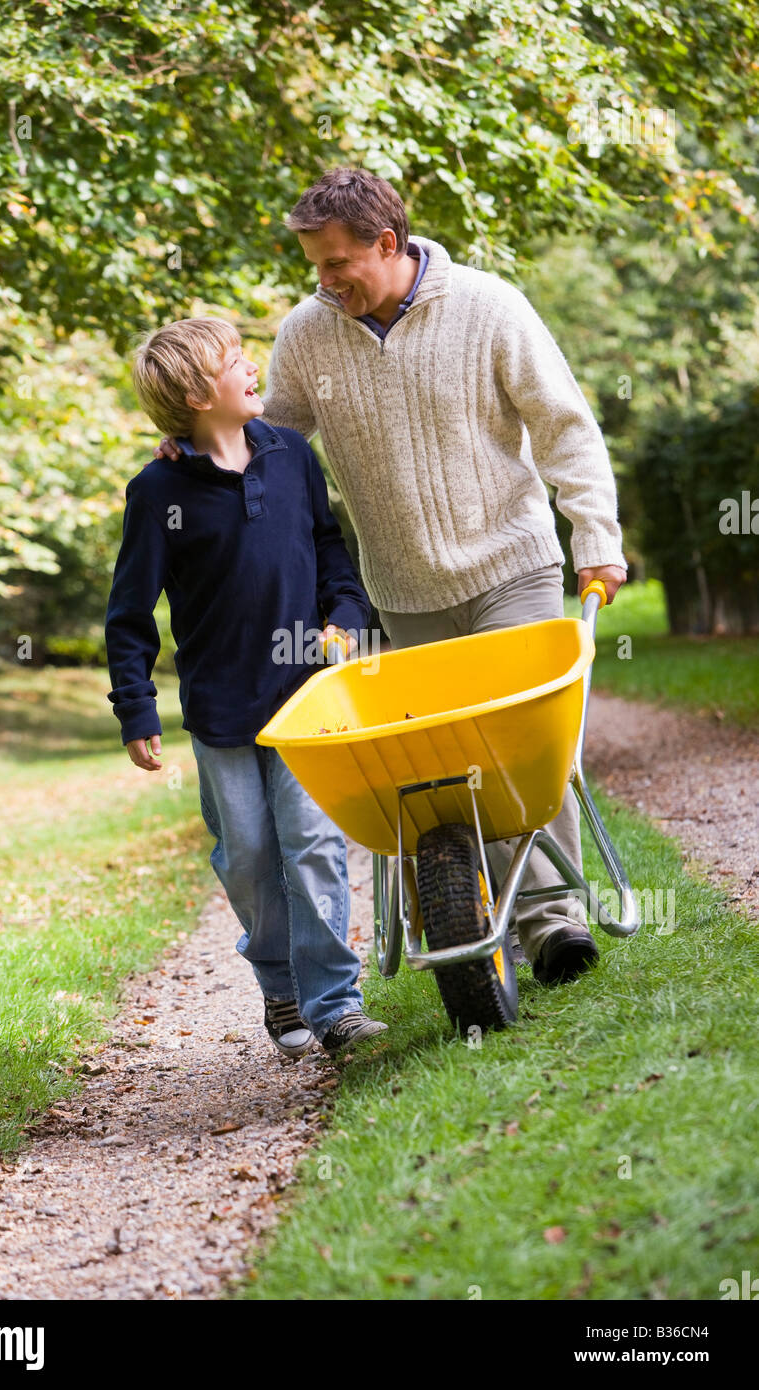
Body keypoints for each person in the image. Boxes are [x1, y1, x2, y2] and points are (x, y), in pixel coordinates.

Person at [154, 168, 629, 986]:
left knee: (526, 746)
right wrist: (195, 445)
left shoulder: (488, 306)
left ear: (387, 243)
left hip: (510, 564)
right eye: (314, 267)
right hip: (404, 591)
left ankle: (552, 922)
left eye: (337, 264)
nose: (324, 282)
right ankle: (462, 921)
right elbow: (270, 439)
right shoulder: (308, 334)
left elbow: (564, 426)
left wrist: (597, 534)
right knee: (433, 776)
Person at [104, 316, 387, 1057]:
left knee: (313, 844)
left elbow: (330, 547)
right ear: (199, 395)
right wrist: (135, 705)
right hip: (221, 706)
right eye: (235, 361)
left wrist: (347, 613)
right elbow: (131, 610)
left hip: (305, 693)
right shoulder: (159, 490)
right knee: (250, 855)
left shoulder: (292, 455)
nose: (252, 367)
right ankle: (280, 986)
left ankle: (335, 1005)